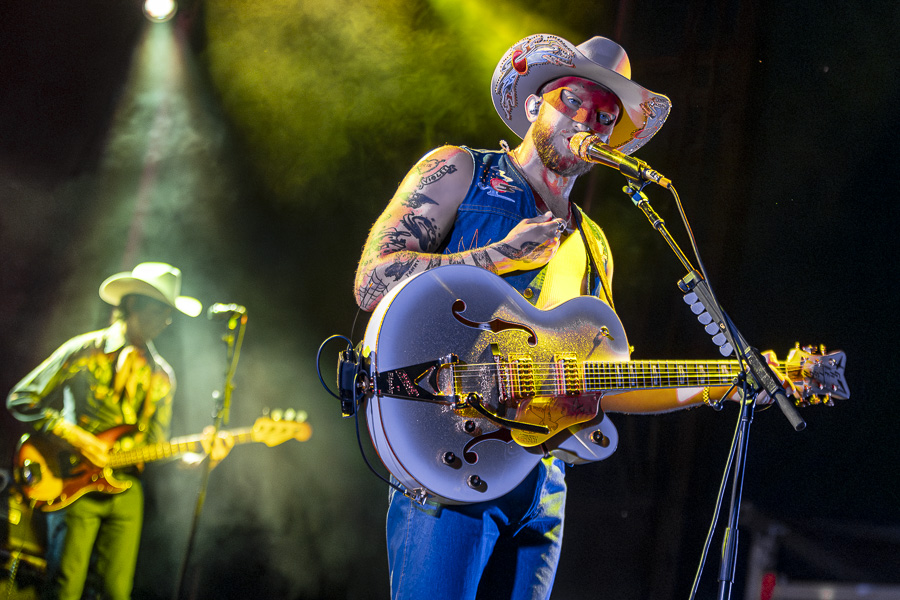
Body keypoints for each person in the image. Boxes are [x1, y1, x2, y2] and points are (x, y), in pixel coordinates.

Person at [354, 34, 797, 599]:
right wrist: (499, 255)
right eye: (573, 102)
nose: (587, 121)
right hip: (451, 453)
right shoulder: (461, 171)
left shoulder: (593, 243)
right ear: (535, 104)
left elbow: (607, 380)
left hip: (543, 487)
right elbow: (372, 280)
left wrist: (721, 386)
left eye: (605, 116)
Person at [7, 262, 233, 600]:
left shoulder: (163, 376)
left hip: (127, 491)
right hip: (71, 480)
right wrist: (76, 437)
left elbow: (156, 447)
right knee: (65, 586)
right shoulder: (85, 349)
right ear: (132, 304)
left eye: (170, 313)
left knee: (117, 592)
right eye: (160, 310)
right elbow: (21, 398)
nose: (167, 320)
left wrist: (199, 459)